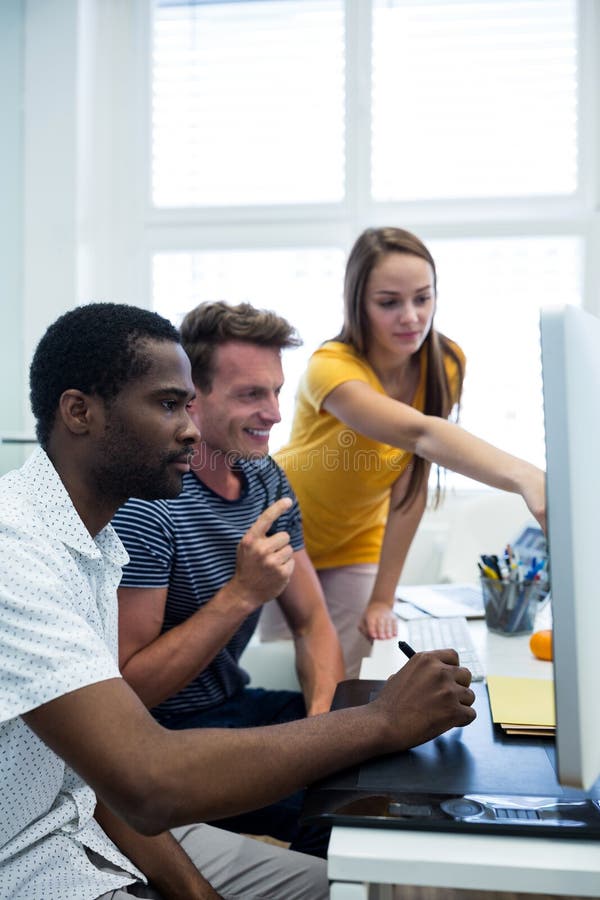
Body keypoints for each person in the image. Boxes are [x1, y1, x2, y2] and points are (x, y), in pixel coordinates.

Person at [0, 301, 476, 899]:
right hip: (36, 859)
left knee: (359, 877)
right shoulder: (18, 551)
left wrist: (199, 892)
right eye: (172, 404)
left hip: (93, 822)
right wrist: (379, 720)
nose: (191, 428)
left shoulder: (100, 543)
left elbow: (94, 784)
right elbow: (144, 774)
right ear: (79, 412)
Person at [111, 300, 345, 852]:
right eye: (250, 395)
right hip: (169, 738)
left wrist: (320, 731)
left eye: (276, 391)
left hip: (238, 705)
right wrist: (242, 594)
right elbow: (129, 689)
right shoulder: (152, 504)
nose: (274, 414)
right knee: (336, 814)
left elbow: (313, 623)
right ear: (193, 399)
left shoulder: (265, 478)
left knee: (378, 759)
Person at [260, 227, 546, 677]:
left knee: (349, 674)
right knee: (302, 666)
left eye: (423, 298)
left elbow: (412, 479)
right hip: (287, 528)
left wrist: (382, 598)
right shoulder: (329, 367)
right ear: (359, 303)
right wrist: (527, 477)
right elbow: (419, 434)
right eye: (389, 302)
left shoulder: (445, 363)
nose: (411, 317)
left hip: (358, 538)